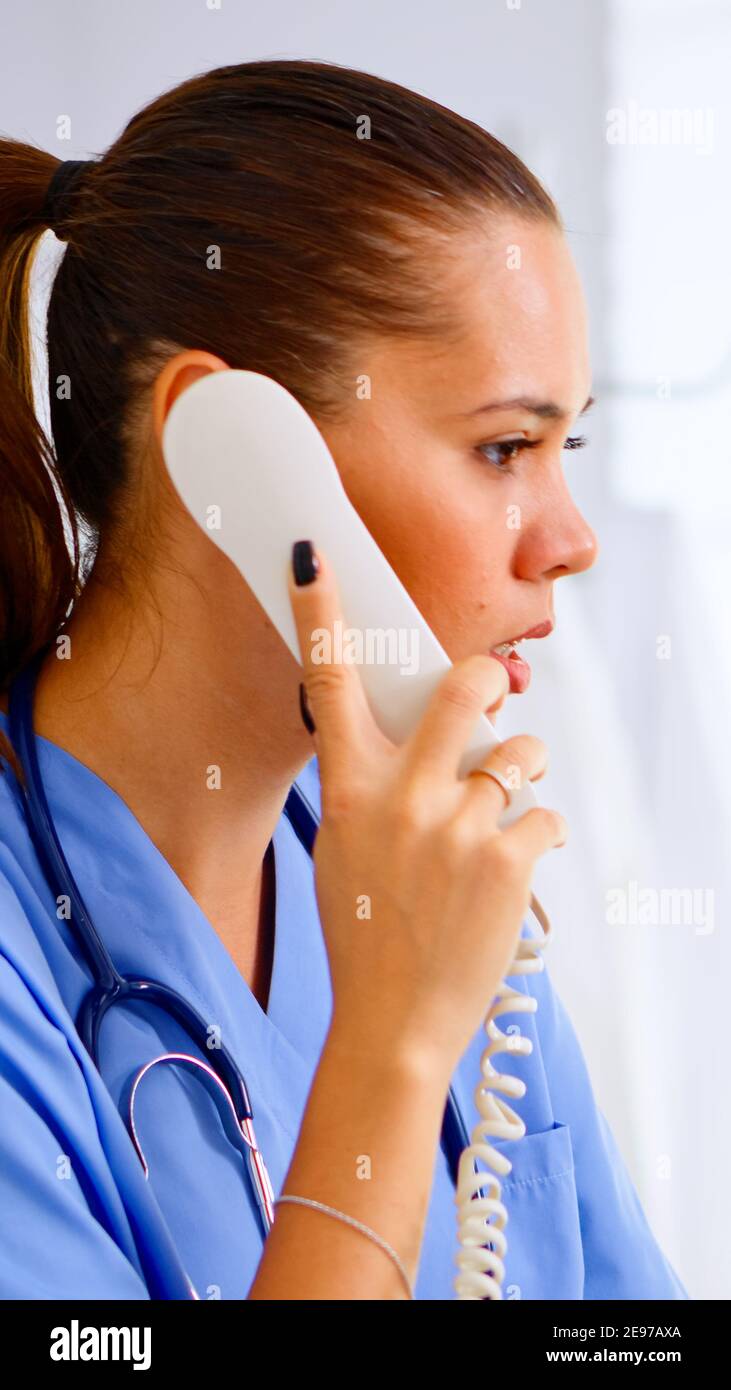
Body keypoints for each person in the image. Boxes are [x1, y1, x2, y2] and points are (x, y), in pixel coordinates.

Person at [0, 58, 687, 1301]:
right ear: (232, 452)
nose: (570, 539)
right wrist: (391, 1042)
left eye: (562, 446)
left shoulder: (428, 885)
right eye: (502, 448)